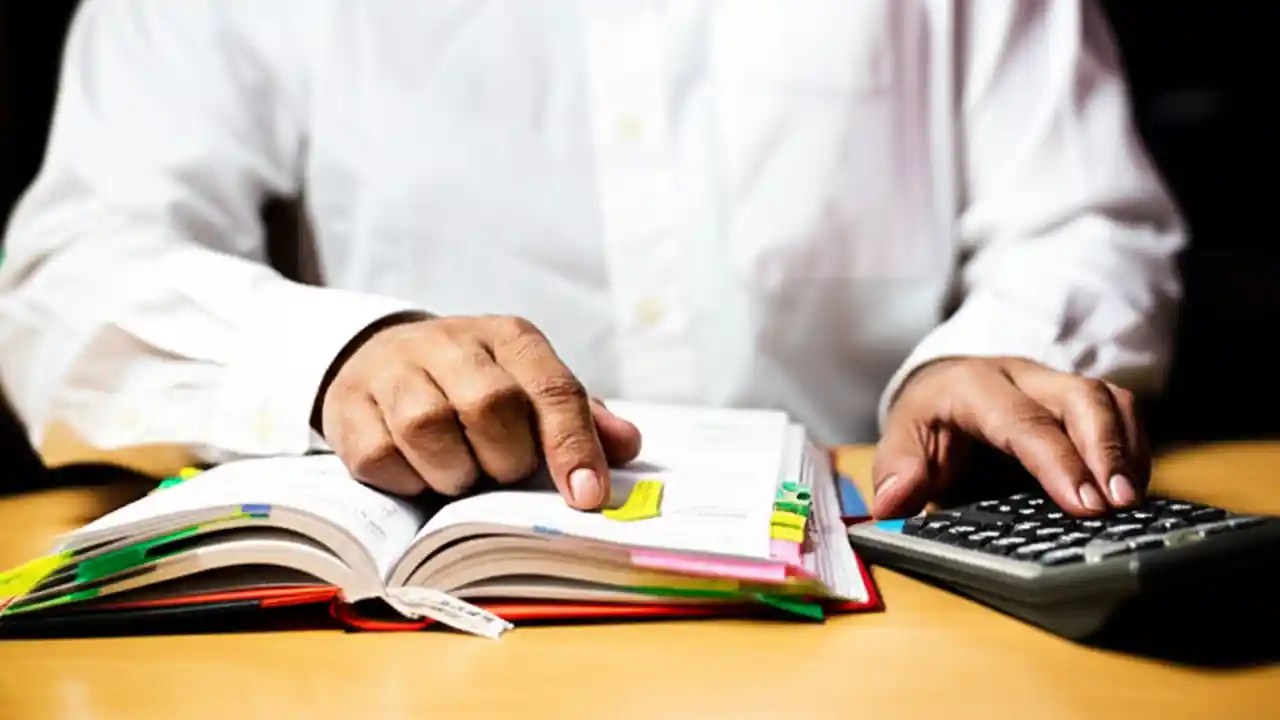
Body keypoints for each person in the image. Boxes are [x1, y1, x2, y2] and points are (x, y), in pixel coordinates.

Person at [0, 0, 1183, 520]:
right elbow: (63, 281)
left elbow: (1082, 218)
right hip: (435, 646)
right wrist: (338, 358)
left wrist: (994, 355)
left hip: (906, 596)